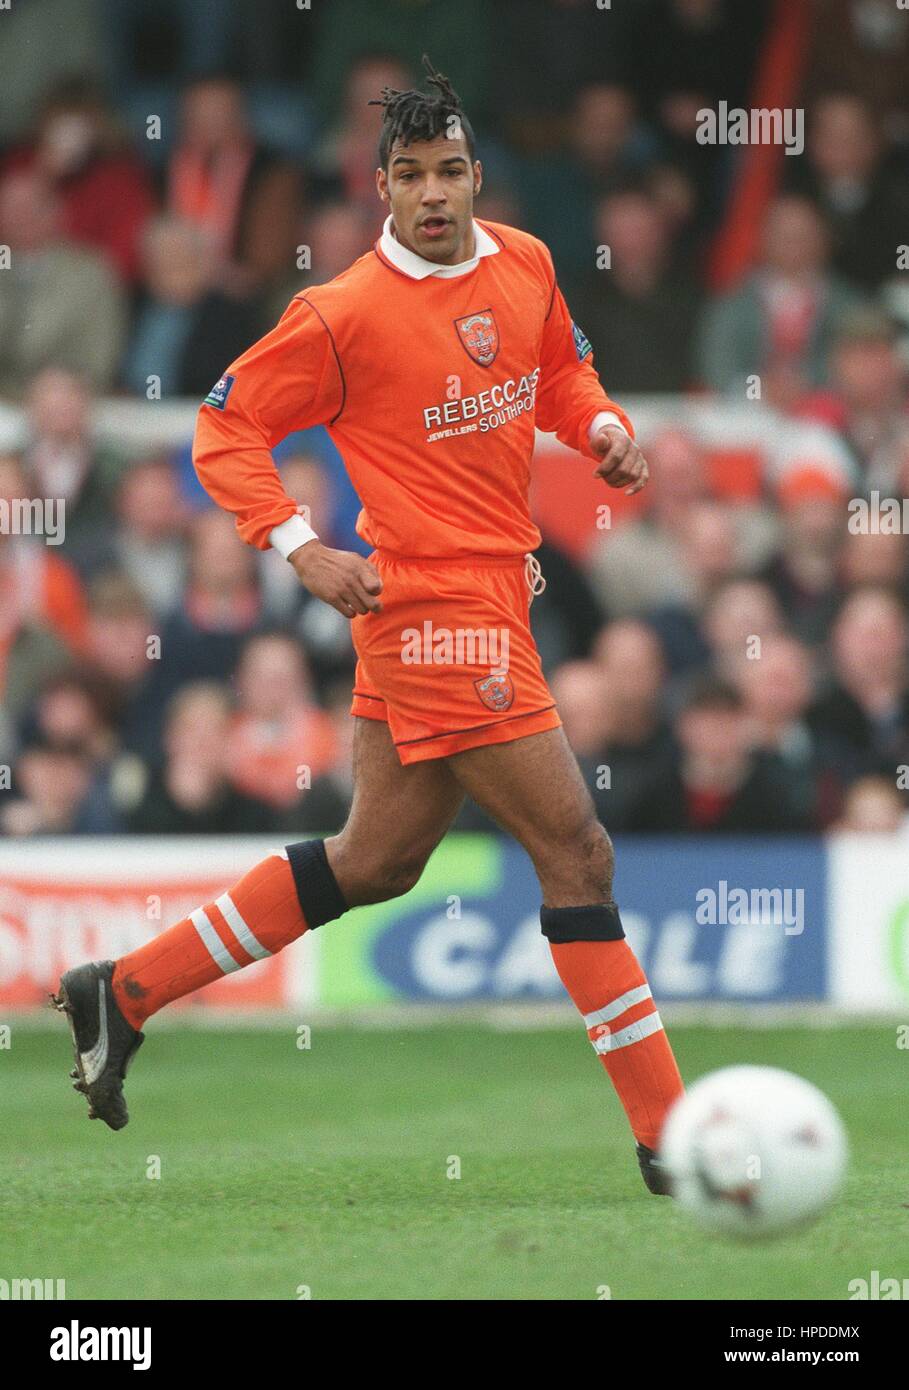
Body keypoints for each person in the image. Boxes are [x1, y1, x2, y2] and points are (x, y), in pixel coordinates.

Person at [54, 58, 683, 1199]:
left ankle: (125, 986)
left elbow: (560, 372)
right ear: (380, 189)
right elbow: (222, 429)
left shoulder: (529, 262)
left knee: (380, 860)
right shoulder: (340, 314)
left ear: (479, 176)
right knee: (577, 850)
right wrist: (300, 543)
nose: (433, 193)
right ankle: (672, 1134)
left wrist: (601, 429)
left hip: (499, 595)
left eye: (450, 171)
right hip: (431, 612)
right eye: (409, 175)